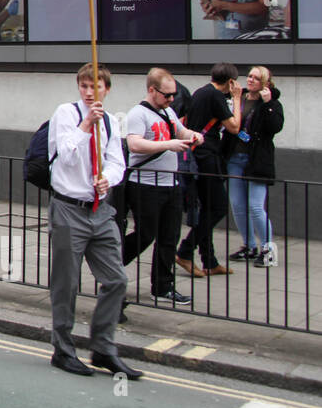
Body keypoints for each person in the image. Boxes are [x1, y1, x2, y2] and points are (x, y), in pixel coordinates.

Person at [46, 64, 141, 380]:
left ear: (107, 90)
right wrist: (86, 123)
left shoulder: (112, 123)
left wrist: (108, 180)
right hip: (68, 208)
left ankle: (103, 346)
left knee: (116, 280)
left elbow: (118, 163)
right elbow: (66, 154)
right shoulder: (66, 114)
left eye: (95, 87)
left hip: (99, 210)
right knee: (66, 283)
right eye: (84, 87)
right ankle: (63, 349)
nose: (89, 93)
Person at [119, 69, 203, 309]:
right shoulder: (138, 114)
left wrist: (193, 136)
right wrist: (169, 144)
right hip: (145, 185)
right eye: (167, 95)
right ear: (152, 90)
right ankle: (110, 266)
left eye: (173, 95)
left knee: (169, 237)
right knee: (146, 234)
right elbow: (134, 144)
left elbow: (181, 131)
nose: (171, 100)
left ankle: (163, 285)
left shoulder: (167, 111)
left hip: (170, 183)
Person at [176, 63, 242, 278]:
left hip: (198, 156)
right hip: (207, 157)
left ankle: (210, 260)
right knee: (218, 207)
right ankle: (186, 250)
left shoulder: (200, 92)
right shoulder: (216, 96)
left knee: (207, 208)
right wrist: (238, 99)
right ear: (230, 82)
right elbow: (234, 127)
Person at [227, 65, 282, 268]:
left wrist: (268, 104)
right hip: (235, 158)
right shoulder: (239, 98)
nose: (250, 80)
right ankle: (249, 246)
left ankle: (268, 249)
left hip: (256, 160)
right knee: (238, 205)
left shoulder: (272, 104)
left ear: (265, 84)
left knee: (256, 206)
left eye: (256, 78)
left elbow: (275, 127)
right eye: (249, 76)